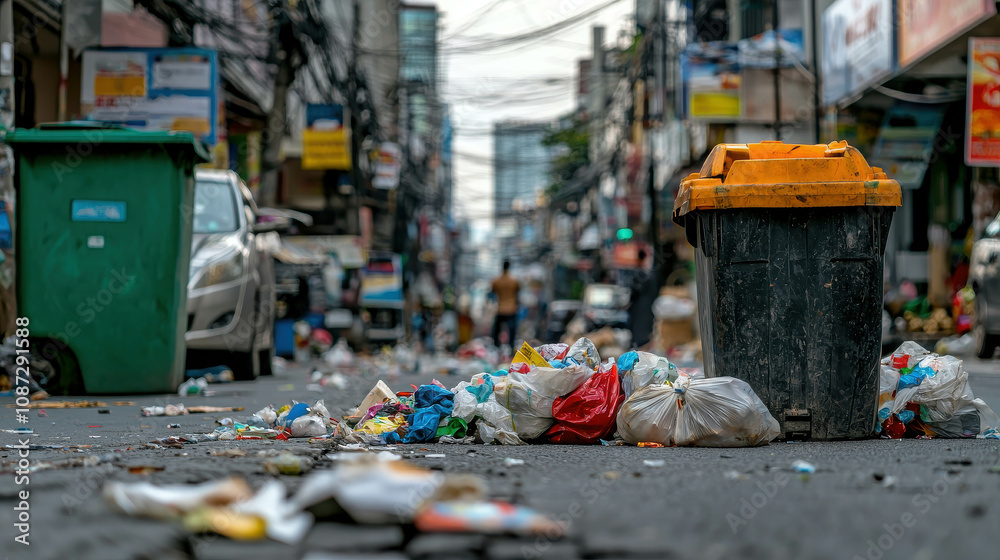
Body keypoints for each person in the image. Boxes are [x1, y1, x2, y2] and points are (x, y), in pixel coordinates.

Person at [491, 260, 520, 348]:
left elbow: (493, 291)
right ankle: (511, 346)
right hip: (511, 308)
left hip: (500, 309)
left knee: (496, 330)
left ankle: (496, 346)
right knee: (512, 330)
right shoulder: (514, 280)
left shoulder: (496, 280)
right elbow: (517, 291)